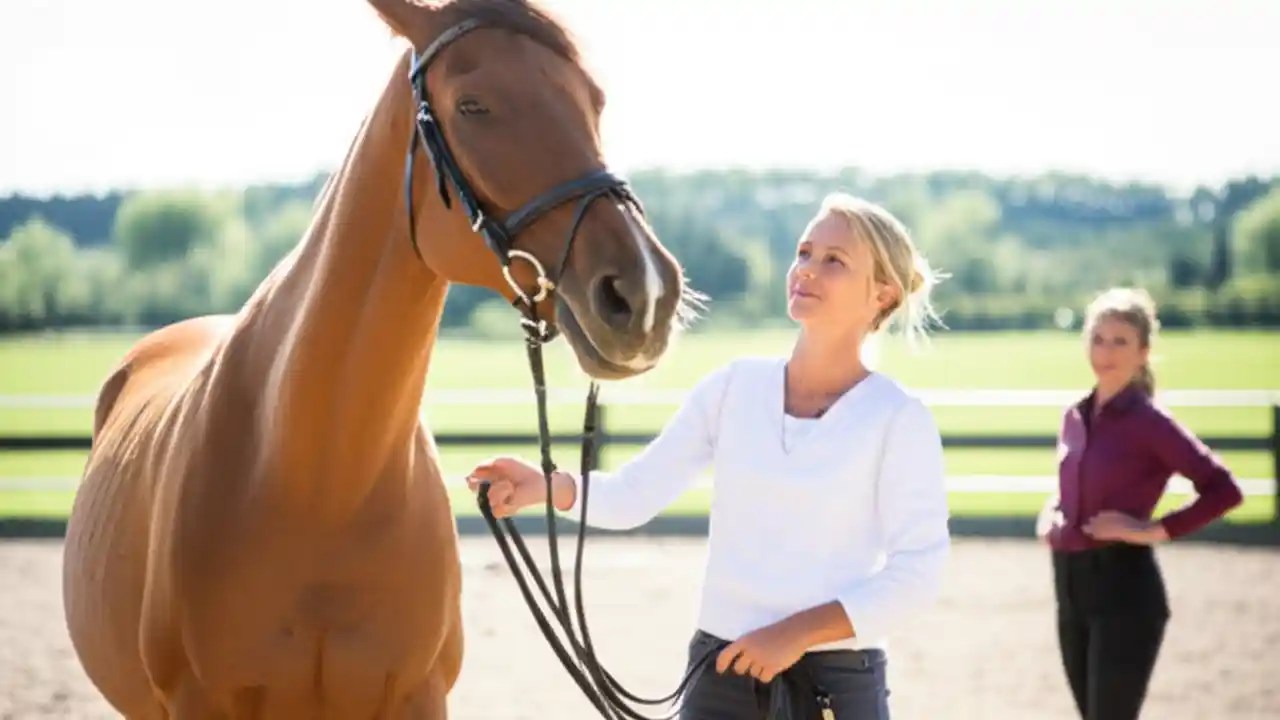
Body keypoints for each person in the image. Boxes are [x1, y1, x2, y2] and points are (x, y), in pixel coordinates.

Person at [467, 192, 951, 719]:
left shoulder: (898, 418)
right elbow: (633, 494)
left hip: (836, 682)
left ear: (881, 294)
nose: (807, 270)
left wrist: (792, 635)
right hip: (720, 675)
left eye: (834, 261)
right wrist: (546, 485)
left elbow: (918, 573)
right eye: (804, 252)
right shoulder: (732, 388)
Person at [1036, 287, 1244, 720]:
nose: (1106, 351)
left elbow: (1224, 488)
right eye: (1098, 338)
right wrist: (1052, 513)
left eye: (1121, 341)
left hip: (1124, 592)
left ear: (1144, 352)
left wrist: (1149, 531)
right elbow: (1074, 484)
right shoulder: (1074, 416)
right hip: (1070, 587)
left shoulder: (1150, 422)